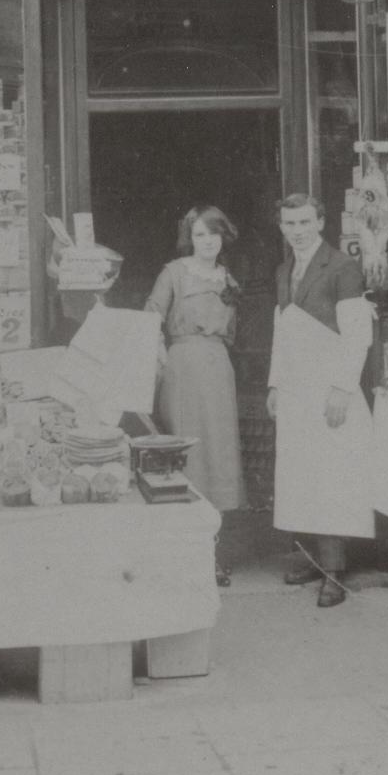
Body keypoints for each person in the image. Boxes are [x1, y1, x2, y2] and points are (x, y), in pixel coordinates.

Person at [266, 192, 375, 609]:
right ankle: (315, 559)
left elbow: (358, 335)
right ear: (282, 227)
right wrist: (275, 385)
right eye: (289, 224)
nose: (297, 231)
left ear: (321, 223)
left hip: (331, 389)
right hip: (297, 389)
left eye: (304, 223)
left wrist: (344, 389)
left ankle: (335, 572)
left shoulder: (343, 268)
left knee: (332, 476)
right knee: (303, 475)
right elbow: (282, 332)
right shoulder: (284, 269)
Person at [145, 205, 245, 586]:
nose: (208, 242)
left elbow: (232, 331)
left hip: (217, 367)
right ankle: (185, 554)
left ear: (224, 237)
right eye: (200, 235)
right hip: (182, 367)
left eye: (214, 234)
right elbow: (151, 316)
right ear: (190, 238)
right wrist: (159, 357)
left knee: (218, 452)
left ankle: (215, 553)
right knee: (186, 453)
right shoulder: (174, 273)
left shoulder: (228, 279)